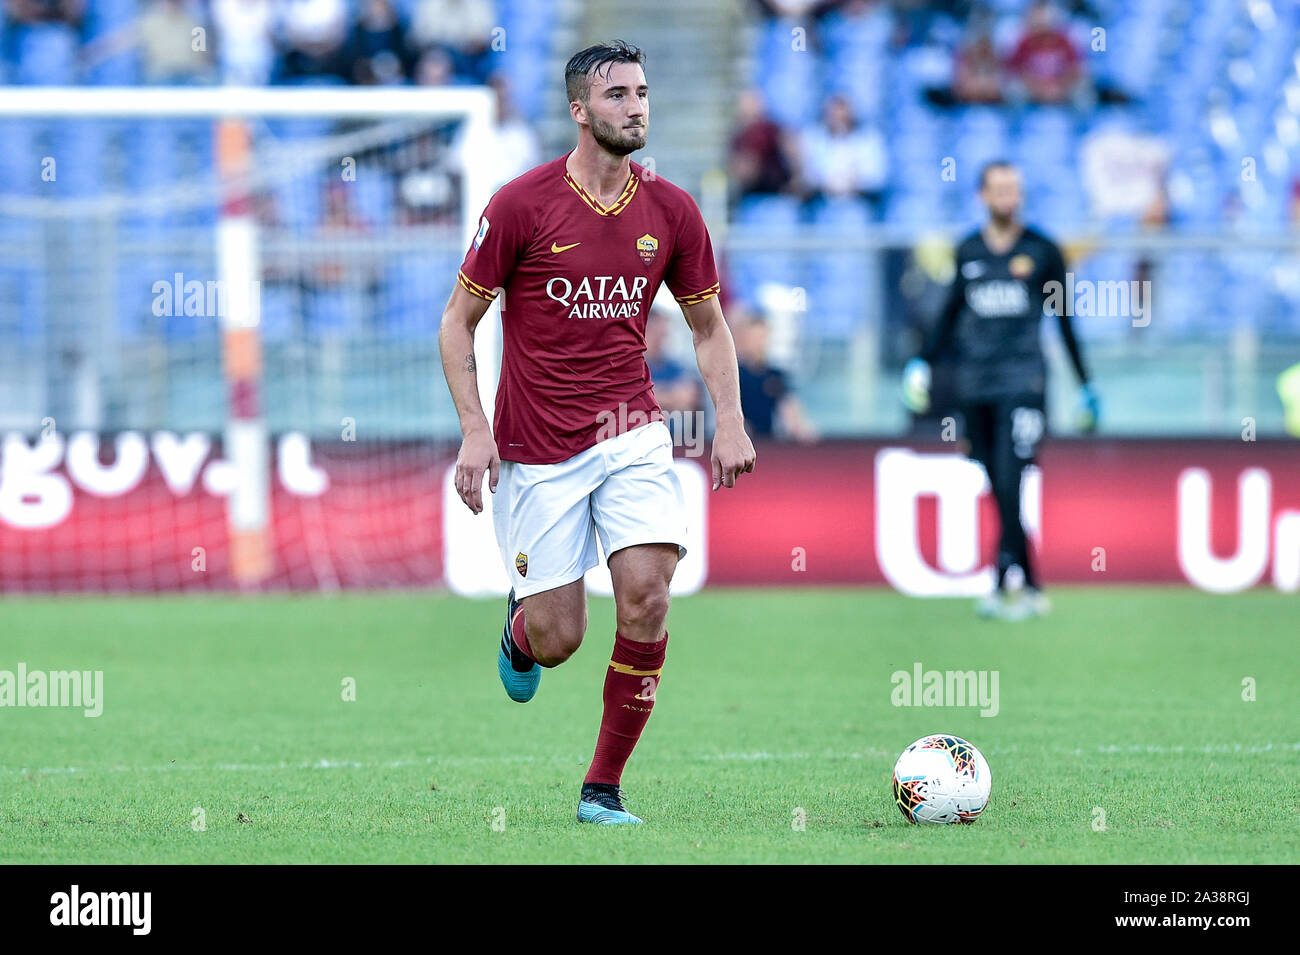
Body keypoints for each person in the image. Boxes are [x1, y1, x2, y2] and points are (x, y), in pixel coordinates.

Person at [438, 41, 755, 825]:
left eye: (642, 92)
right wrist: (475, 430)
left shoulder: (673, 210)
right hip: (538, 446)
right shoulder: (521, 204)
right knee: (559, 638)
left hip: (631, 430)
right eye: (617, 95)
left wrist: (730, 419)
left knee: (647, 596)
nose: (636, 106)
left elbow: (708, 326)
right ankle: (520, 629)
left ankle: (601, 788)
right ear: (580, 110)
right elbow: (458, 322)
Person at [902, 160, 1098, 620]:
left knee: (1012, 478)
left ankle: (1004, 585)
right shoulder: (968, 250)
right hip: (975, 384)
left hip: (1023, 381)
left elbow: (1065, 321)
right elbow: (950, 313)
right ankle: (1025, 584)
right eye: (1000, 189)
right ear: (983, 196)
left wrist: (1084, 384)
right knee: (995, 482)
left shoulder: (1043, 251)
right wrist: (922, 362)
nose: (1009, 197)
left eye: (1015, 189)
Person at [735, 314, 818, 442]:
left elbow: (789, 407)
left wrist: (801, 428)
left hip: (768, 442)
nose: (759, 343)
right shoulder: (735, 374)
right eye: (754, 338)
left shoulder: (775, 375)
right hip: (741, 440)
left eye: (762, 337)